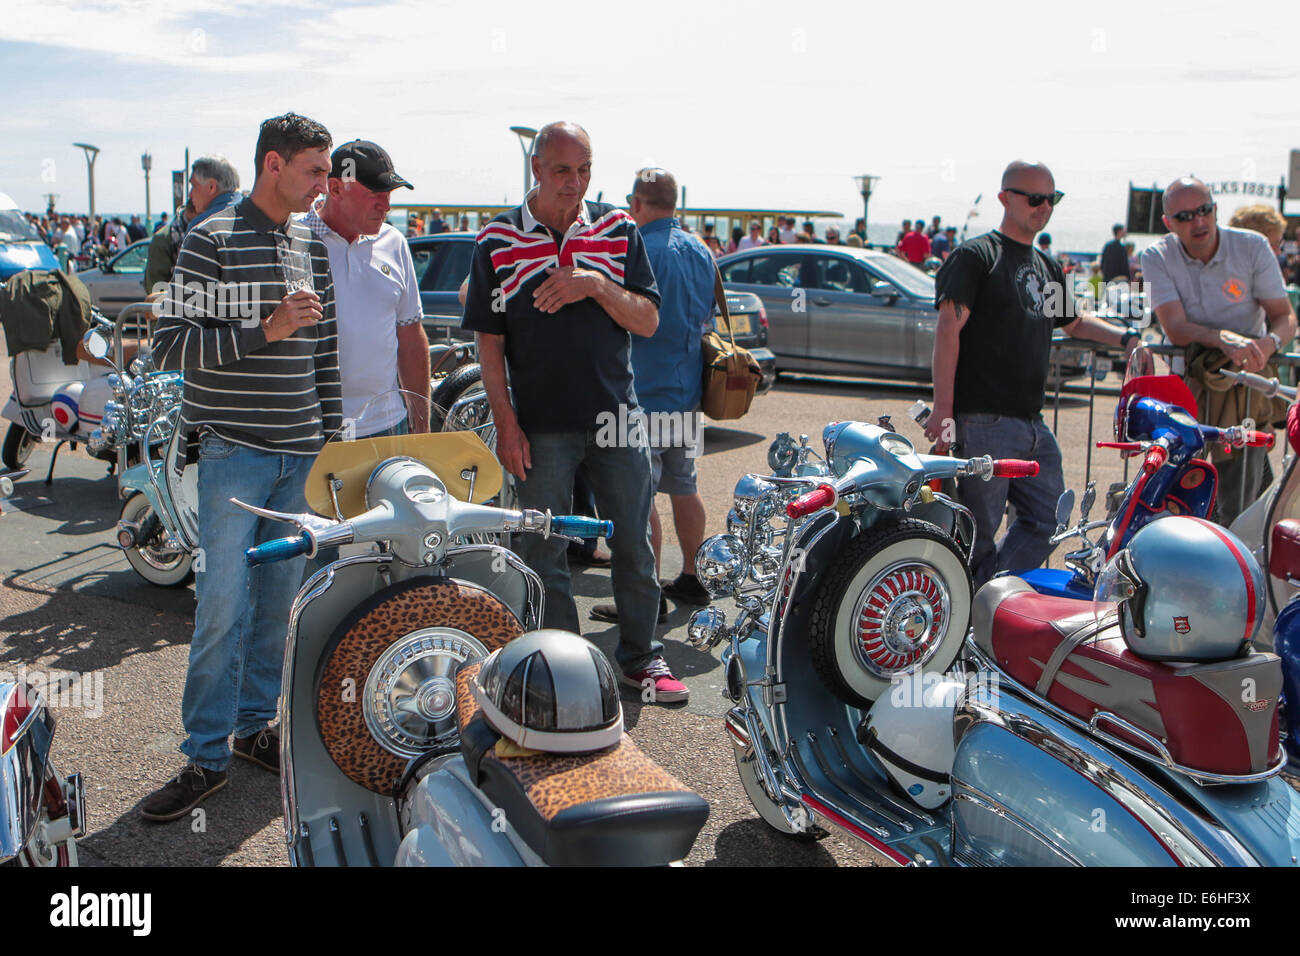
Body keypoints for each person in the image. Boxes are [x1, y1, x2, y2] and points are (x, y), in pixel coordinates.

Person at [141, 112, 340, 821]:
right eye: (315, 170)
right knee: (222, 608)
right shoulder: (210, 239)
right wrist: (265, 330)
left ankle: (255, 729)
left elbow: (326, 355)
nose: (325, 184)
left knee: (279, 609)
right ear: (273, 165)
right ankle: (204, 757)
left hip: (300, 456)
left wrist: (334, 445)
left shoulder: (310, 242)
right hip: (234, 454)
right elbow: (168, 349)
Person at [462, 121, 687, 703]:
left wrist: (594, 285)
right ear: (536, 169)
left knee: (635, 545)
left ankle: (642, 658)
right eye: (563, 170)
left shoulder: (617, 230)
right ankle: (565, 670)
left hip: (617, 419)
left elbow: (649, 320)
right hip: (540, 425)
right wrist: (506, 424)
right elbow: (490, 345)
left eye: (585, 169)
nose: (576, 182)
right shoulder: (496, 240)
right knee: (543, 550)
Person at [927, 160, 1141, 588]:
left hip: (1031, 423)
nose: (1044, 207)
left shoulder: (1046, 265)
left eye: (1052, 198)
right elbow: (949, 327)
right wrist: (944, 411)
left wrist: (1129, 338)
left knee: (1047, 518)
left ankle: (991, 596)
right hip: (982, 418)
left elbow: (1075, 323)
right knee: (977, 532)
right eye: (1035, 198)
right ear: (1005, 198)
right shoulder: (976, 256)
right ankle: (967, 619)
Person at [1139, 177, 1297, 526]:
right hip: (1188, 391)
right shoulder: (1155, 255)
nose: (1198, 221)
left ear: (1215, 209)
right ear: (1168, 223)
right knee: (1175, 494)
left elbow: (1285, 316)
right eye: (1184, 216)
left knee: (1238, 500)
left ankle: (1243, 570)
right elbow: (1175, 327)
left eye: (1204, 210)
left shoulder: (1252, 246)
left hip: (1245, 392)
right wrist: (1223, 338)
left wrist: (1267, 345)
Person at [597, 166, 715, 621]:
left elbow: (626, 316)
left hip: (640, 393)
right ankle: (693, 575)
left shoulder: (639, 247)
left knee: (636, 498)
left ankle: (648, 599)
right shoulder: (701, 250)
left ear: (638, 203)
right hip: (686, 390)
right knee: (685, 486)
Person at [303, 139, 431, 438]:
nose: (385, 205)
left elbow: (411, 338)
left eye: (388, 194)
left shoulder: (394, 242)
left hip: (387, 426)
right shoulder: (293, 240)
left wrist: (422, 423)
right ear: (334, 189)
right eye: (374, 193)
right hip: (311, 432)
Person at [144, 155, 242, 295]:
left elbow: (187, 293)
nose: (190, 194)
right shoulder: (253, 215)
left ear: (211, 187)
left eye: (194, 185)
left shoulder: (202, 226)